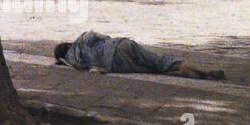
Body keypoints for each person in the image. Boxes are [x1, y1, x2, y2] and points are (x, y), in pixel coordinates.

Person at [53, 31, 225, 80]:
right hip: (121, 45)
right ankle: (204, 71)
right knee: (163, 62)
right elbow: (104, 37)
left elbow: (93, 69)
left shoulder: (75, 62)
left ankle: (201, 76)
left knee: (158, 71)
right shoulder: (83, 38)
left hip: (117, 65)